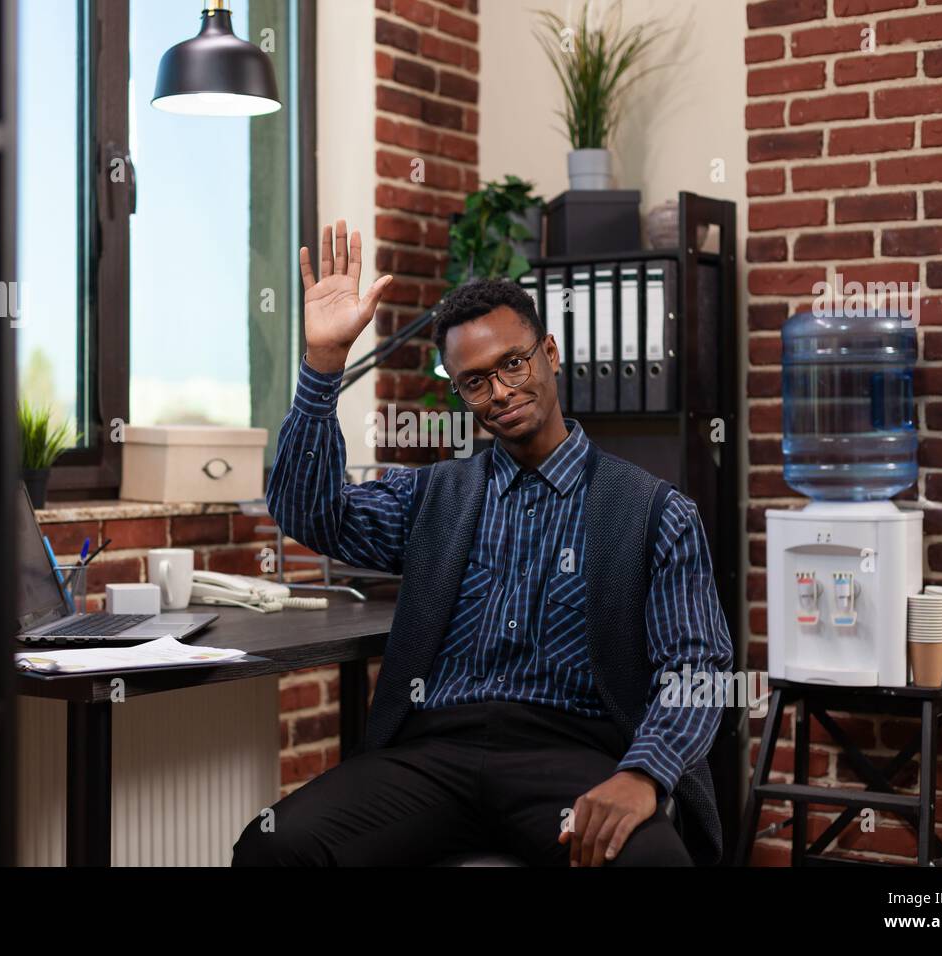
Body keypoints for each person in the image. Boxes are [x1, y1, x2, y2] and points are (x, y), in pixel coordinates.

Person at [232, 220, 733, 866]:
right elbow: (311, 511)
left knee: (650, 863)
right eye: (474, 381)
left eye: (513, 364)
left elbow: (699, 670)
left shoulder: (654, 513)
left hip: (575, 757)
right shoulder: (431, 497)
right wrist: (324, 365)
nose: (499, 392)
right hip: (432, 755)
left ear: (549, 354)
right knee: (276, 847)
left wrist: (645, 772)